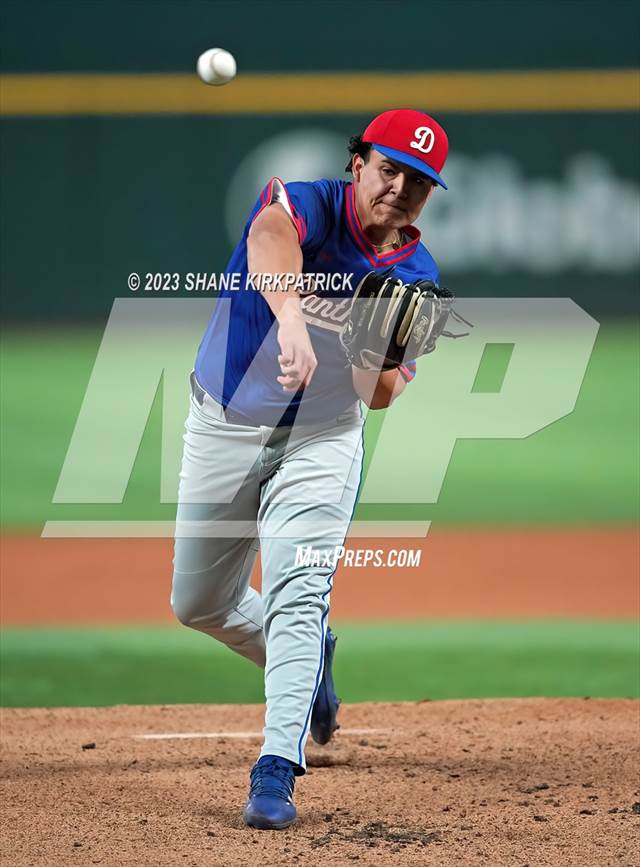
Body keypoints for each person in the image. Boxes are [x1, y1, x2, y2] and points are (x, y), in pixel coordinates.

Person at [170, 108, 449, 830]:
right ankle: (309, 661)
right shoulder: (308, 203)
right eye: (389, 169)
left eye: (418, 182)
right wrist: (292, 317)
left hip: (322, 441)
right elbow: (269, 237)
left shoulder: (417, 276)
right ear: (357, 162)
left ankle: (276, 768)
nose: (399, 188)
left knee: (299, 588)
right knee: (197, 603)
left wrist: (378, 353)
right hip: (224, 422)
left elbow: (380, 396)